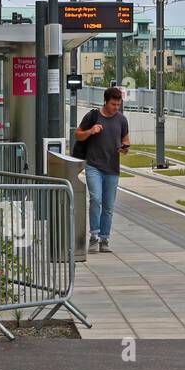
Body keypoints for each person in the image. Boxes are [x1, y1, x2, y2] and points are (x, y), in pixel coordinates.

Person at [74, 86, 130, 252]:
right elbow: (77, 134)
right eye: (113, 104)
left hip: (112, 167)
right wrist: (91, 131)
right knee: (96, 199)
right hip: (94, 166)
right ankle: (94, 236)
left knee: (108, 206)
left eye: (118, 104)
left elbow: (125, 139)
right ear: (105, 102)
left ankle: (104, 239)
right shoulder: (93, 116)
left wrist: (125, 148)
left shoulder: (121, 119)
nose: (116, 108)